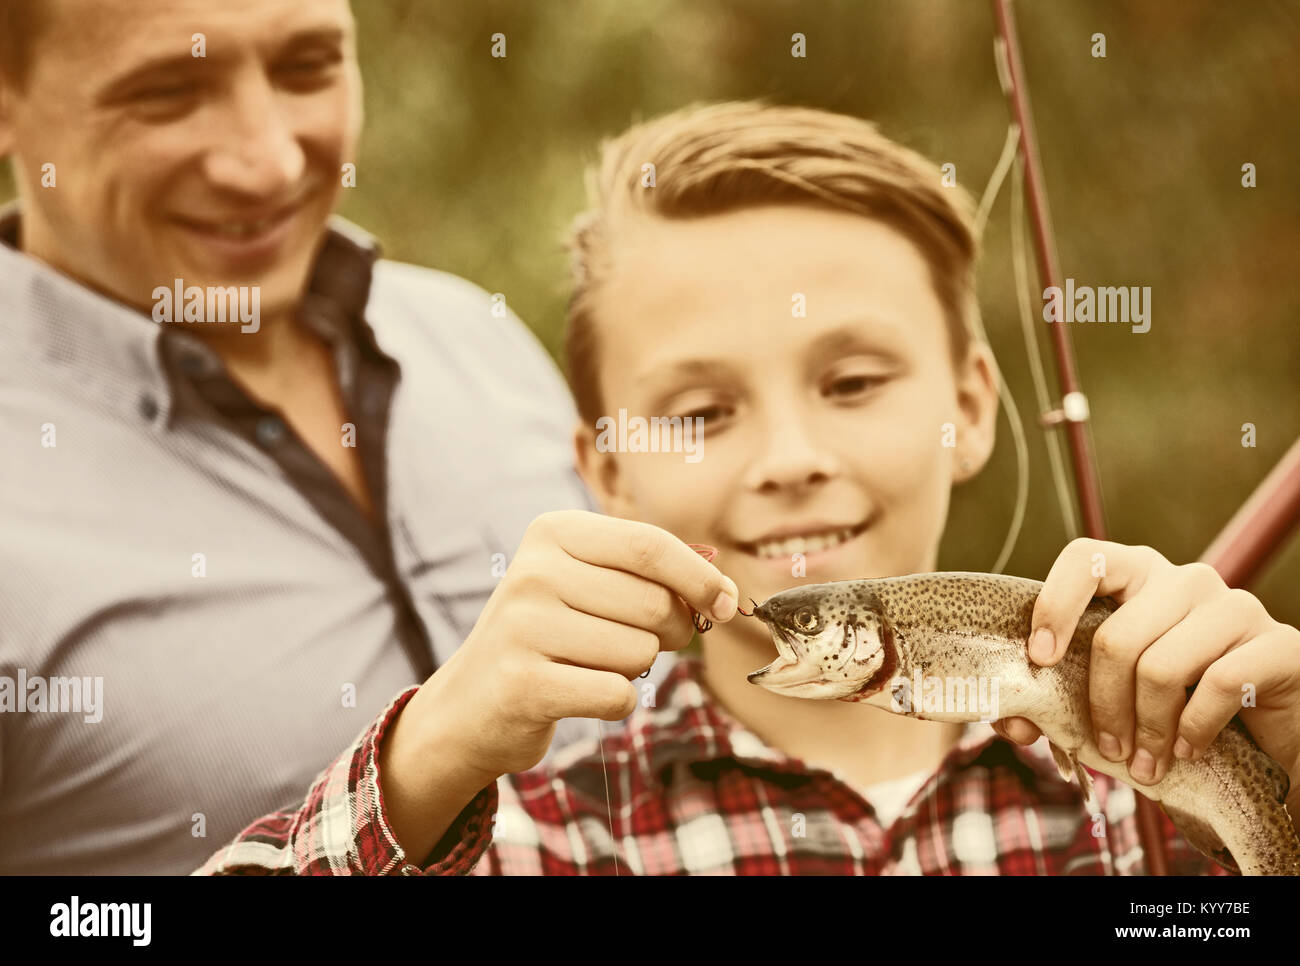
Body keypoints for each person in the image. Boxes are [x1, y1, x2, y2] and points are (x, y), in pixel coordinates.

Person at [196, 100, 1300, 875]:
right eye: (700, 414)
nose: (786, 456)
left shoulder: (1153, 797)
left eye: (853, 382)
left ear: (968, 407)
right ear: (606, 470)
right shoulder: (537, 832)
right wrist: (431, 754)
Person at [0, 0, 710, 873]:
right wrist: (424, 764)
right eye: (169, 91)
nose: (265, 161)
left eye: (307, 68)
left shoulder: (475, 335)